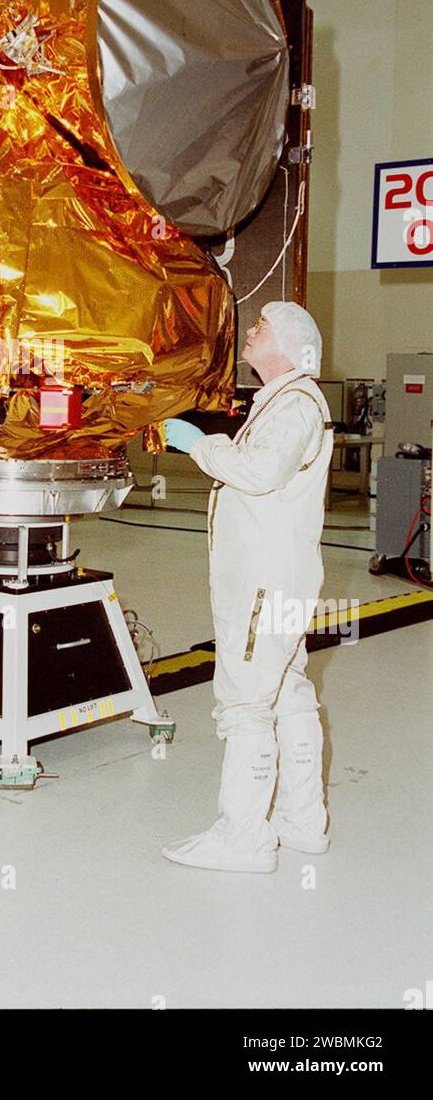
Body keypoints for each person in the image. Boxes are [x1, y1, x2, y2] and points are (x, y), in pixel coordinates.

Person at [161, 302, 332, 873]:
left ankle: (244, 838)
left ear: (288, 344)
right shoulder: (289, 402)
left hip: (263, 582)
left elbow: (257, 473)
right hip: (278, 575)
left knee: (244, 704)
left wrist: (197, 445)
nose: (250, 331)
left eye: (261, 326)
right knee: (288, 692)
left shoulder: (296, 406)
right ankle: (303, 820)